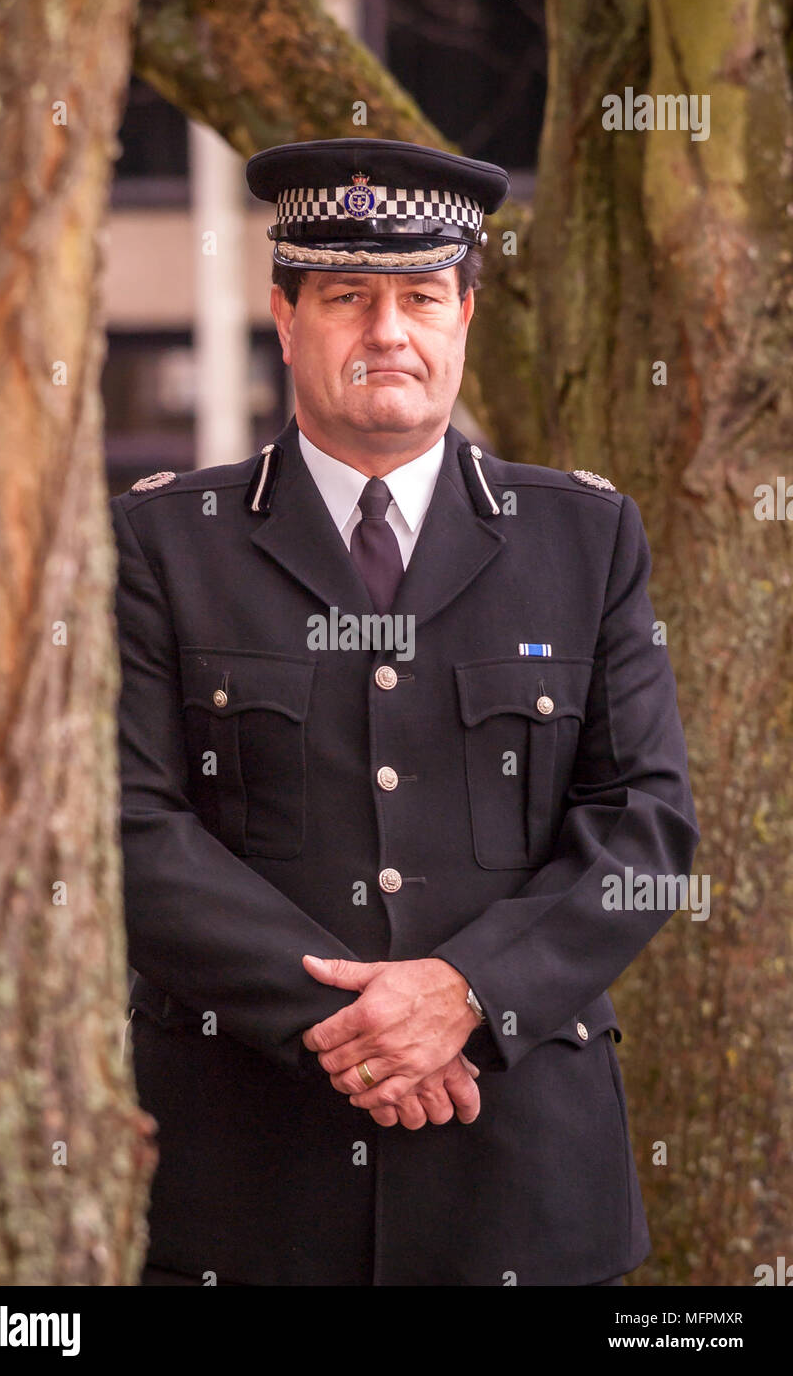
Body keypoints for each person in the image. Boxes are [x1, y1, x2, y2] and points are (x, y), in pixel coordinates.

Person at [110, 137, 700, 1287]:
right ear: (284, 318)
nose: (389, 331)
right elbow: (128, 824)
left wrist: (467, 995)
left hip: (524, 1186)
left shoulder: (585, 538)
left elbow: (645, 825)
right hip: (245, 1194)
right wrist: (367, 1028)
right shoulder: (165, 542)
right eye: (346, 297)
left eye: (422, 296)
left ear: (465, 316)